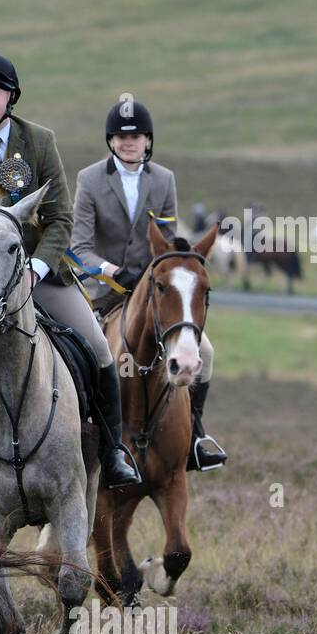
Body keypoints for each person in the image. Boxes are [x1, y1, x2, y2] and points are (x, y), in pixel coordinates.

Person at [0, 53, 141, 489]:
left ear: (11, 98)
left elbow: (61, 218)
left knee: (97, 347)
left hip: (36, 274)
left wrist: (39, 267)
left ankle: (113, 450)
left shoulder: (39, 141)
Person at [71, 100, 225, 471]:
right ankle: (82, 436)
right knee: (82, 354)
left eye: (136, 136)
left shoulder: (164, 180)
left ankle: (196, 437)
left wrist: (174, 262)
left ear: (147, 141)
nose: (129, 142)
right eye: (122, 136)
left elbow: (168, 241)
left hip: (154, 292)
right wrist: (112, 271)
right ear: (111, 141)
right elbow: (78, 248)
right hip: (105, 293)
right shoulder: (89, 180)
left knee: (206, 351)